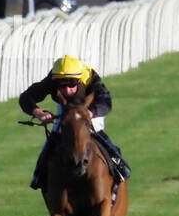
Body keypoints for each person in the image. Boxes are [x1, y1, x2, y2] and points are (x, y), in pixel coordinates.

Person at [19, 54, 130, 191]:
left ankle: (119, 168)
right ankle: (39, 175)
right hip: (66, 109)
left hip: (90, 109)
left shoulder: (90, 78)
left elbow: (105, 102)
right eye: (62, 86)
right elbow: (26, 97)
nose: (67, 90)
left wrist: (89, 113)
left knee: (97, 135)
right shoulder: (53, 79)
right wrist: (39, 113)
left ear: (79, 80)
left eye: (72, 85)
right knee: (53, 139)